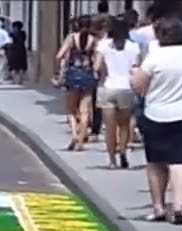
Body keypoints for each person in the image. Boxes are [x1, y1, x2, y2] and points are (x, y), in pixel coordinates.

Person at [130, 16, 182, 225]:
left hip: (158, 114)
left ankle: (159, 208)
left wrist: (135, 73)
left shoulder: (155, 57)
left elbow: (138, 86)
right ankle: (179, 207)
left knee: (156, 163)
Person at [95, 15, 140, 169]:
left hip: (108, 87)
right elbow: (135, 67)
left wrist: (103, 73)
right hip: (126, 88)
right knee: (124, 125)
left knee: (110, 127)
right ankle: (123, 151)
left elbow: (96, 66)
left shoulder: (104, 44)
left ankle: (112, 160)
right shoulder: (133, 46)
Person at [56, 16, 98, 151]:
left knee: (71, 109)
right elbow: (96, 60)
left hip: (73, 74)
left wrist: (64, 62)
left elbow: (59, 55)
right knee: (85, 111)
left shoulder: (71, 38)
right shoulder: (94, 40)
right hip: (87, 74)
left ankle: (74, 134)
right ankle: (81, 140)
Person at [7, 21, 28, 85]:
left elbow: (10, 42)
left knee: (13, 66)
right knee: (21, 66)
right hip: (22, 50)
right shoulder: (23, 33)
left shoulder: (11, 34)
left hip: (13, 51)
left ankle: (14, 80)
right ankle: (20, 80)